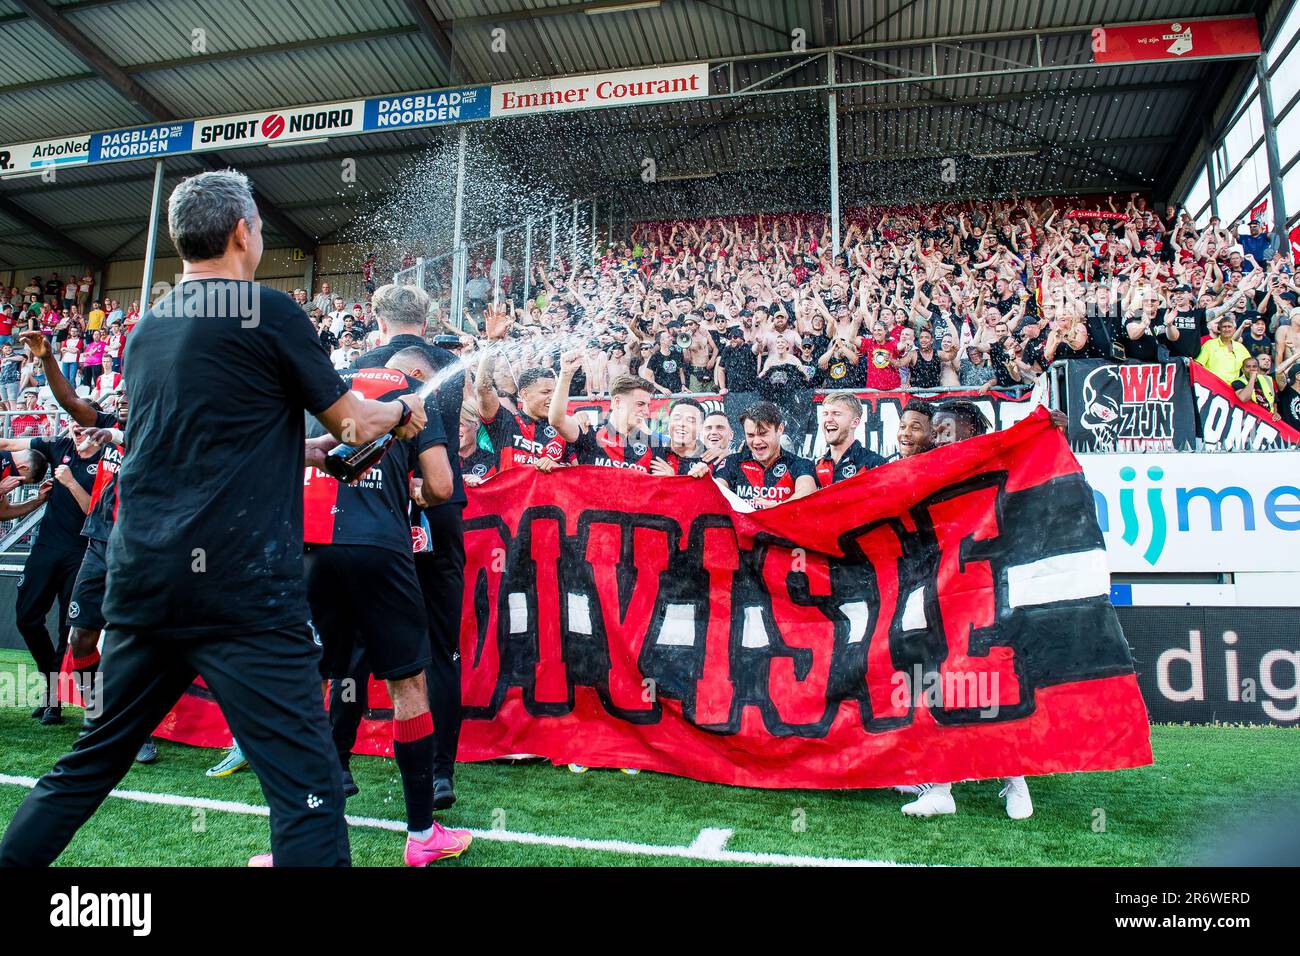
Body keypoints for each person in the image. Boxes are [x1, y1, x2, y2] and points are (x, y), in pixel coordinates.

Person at [0, 169, 428, 868]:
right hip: (243, 592)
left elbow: (204, 443)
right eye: (259, 224)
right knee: (310, 792)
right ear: (241, 231)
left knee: (84, 769)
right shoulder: (269, 311)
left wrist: (306, 447)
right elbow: (354, 422)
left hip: (142, 583)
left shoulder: (146, 331)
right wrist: (402, 411)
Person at [296, 354, 470, 866]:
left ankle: (301, 838)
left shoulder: (325, 385)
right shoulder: (417, 397)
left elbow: (294, 454)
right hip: (379, 547)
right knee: (408, 684)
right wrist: (407, 487)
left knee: (313, 679)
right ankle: (420, 834)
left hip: (311, 546)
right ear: (416, 367)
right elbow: (440, 488)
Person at [351, 289, 470, 810]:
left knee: (355, 642)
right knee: (443, 645)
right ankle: (440, 774)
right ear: (427, 321)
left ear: (379, 321)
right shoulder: (452, 363)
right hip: (439, 502)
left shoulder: (361, 365)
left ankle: (336, 765)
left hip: (377, 508)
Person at [0, 418, 103, 726]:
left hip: (82, 552)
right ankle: (51, 680)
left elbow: (96, 512)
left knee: (66, 629)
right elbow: (8, 445)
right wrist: (36, 497)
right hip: (46, 548)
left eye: (83, 423)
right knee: (26, 618)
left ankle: (54, 699)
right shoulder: (59, 446)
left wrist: (70, 482)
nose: (76, 428)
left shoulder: (110, 460)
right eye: (73, 422)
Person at [702, 401, 815, 508]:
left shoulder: (800, 464)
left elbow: (807, 492)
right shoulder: (732, 462)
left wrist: (778, 510)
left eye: (763, 434)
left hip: (780, 527)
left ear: (780, 429)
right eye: (750, 435)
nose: (756, 441)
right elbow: (715, 493)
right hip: (745, 528)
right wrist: (701, 477)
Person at [814, 392, 885, 487]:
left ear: (854, 422)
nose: (828, 419)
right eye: (825, 414)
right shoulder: (815, 465)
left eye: (836, 414)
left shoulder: (874, 463)